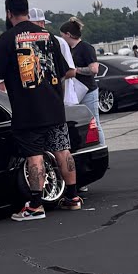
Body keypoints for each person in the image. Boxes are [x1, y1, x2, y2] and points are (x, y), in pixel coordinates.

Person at [0, 0, 83, 220]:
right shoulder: (47, 36)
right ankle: (73, 197)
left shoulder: (7, 39)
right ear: (27, 11)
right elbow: (62, 70)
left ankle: (36, 205)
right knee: (62, 150)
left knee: (34, 156)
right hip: (54, 106)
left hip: (28, 111)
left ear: (9, 13)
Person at [60, 17, 104, 197]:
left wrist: (76, 70)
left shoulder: (85, 48)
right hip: (75, 91)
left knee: (94, 122)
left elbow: (94, 69)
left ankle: (101, 150)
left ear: (68, 35)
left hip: (88, 90)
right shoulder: (70, 50)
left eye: (63, 36)